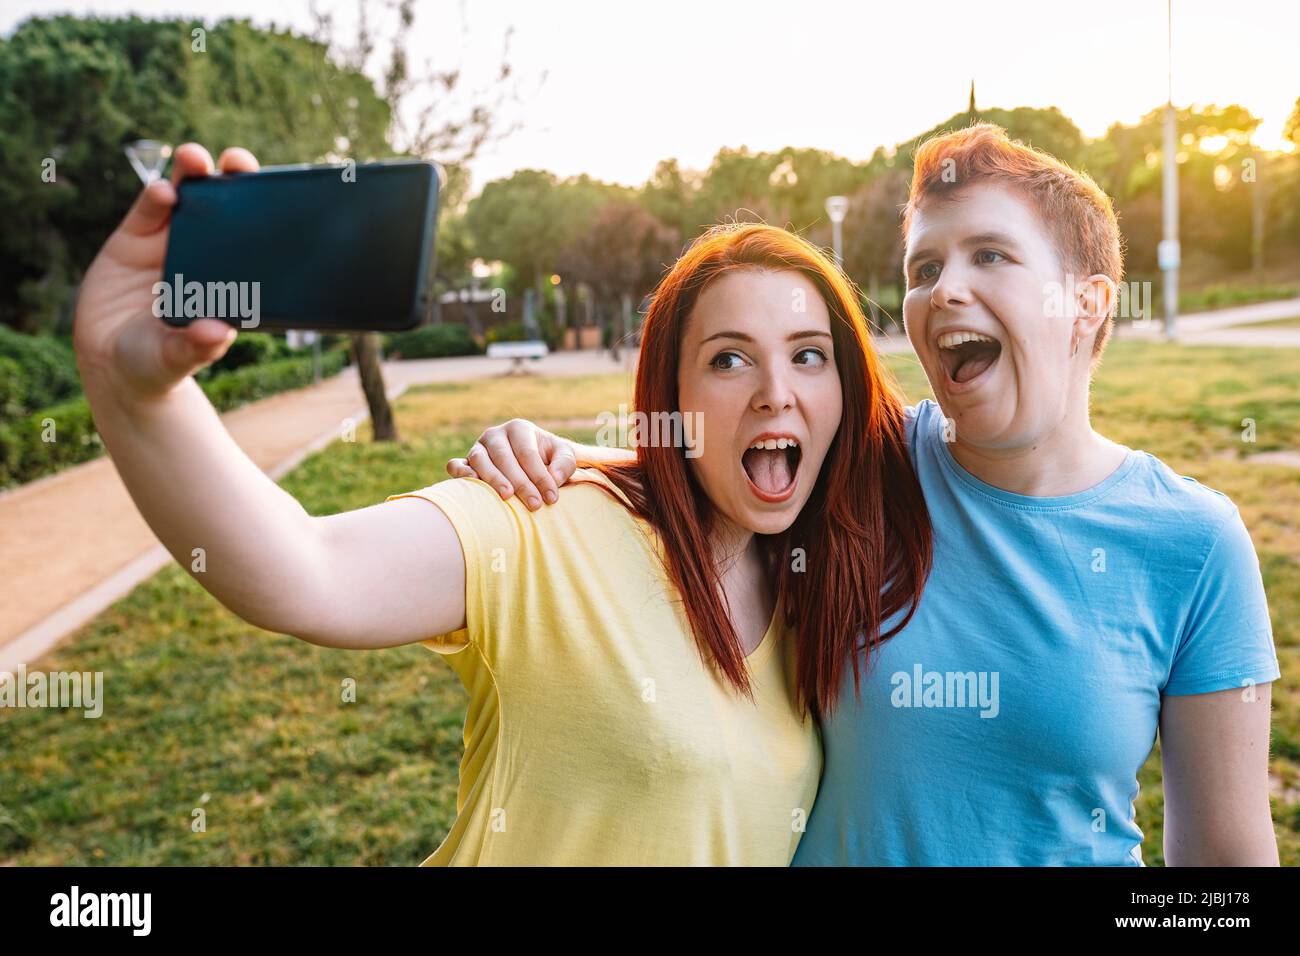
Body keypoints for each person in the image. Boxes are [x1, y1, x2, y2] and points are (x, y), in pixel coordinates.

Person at [72, 142, 930, 865]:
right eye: (730, 360)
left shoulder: (812, 575)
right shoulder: (544, 522)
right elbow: (304, 572)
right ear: (670, 390)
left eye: (810, 356)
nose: (778, 392)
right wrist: (135, 393)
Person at [450, 124, 1282, 866]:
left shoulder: (1196, 544)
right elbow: (743, 452)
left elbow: (1224, 867)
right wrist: (574, 458)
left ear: (1088, 303)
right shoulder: (875, 462)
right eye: (926, 266)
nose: (944, 289)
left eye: (989, 254)